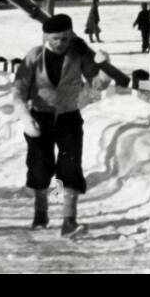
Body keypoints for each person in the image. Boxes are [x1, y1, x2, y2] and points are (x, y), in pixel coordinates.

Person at [13, 13, 113, 236]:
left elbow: (97, 84)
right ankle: (40, 213)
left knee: (70, 167)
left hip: (69, 117)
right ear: (47, 37)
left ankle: (69, 220)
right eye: (55, 39)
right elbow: (18, 89)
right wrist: (25, 117)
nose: (60, 44)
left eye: (65, 39)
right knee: (40, 168)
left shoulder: (78, 55)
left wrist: (104, 67)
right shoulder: (35, 56)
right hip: (40, 118)